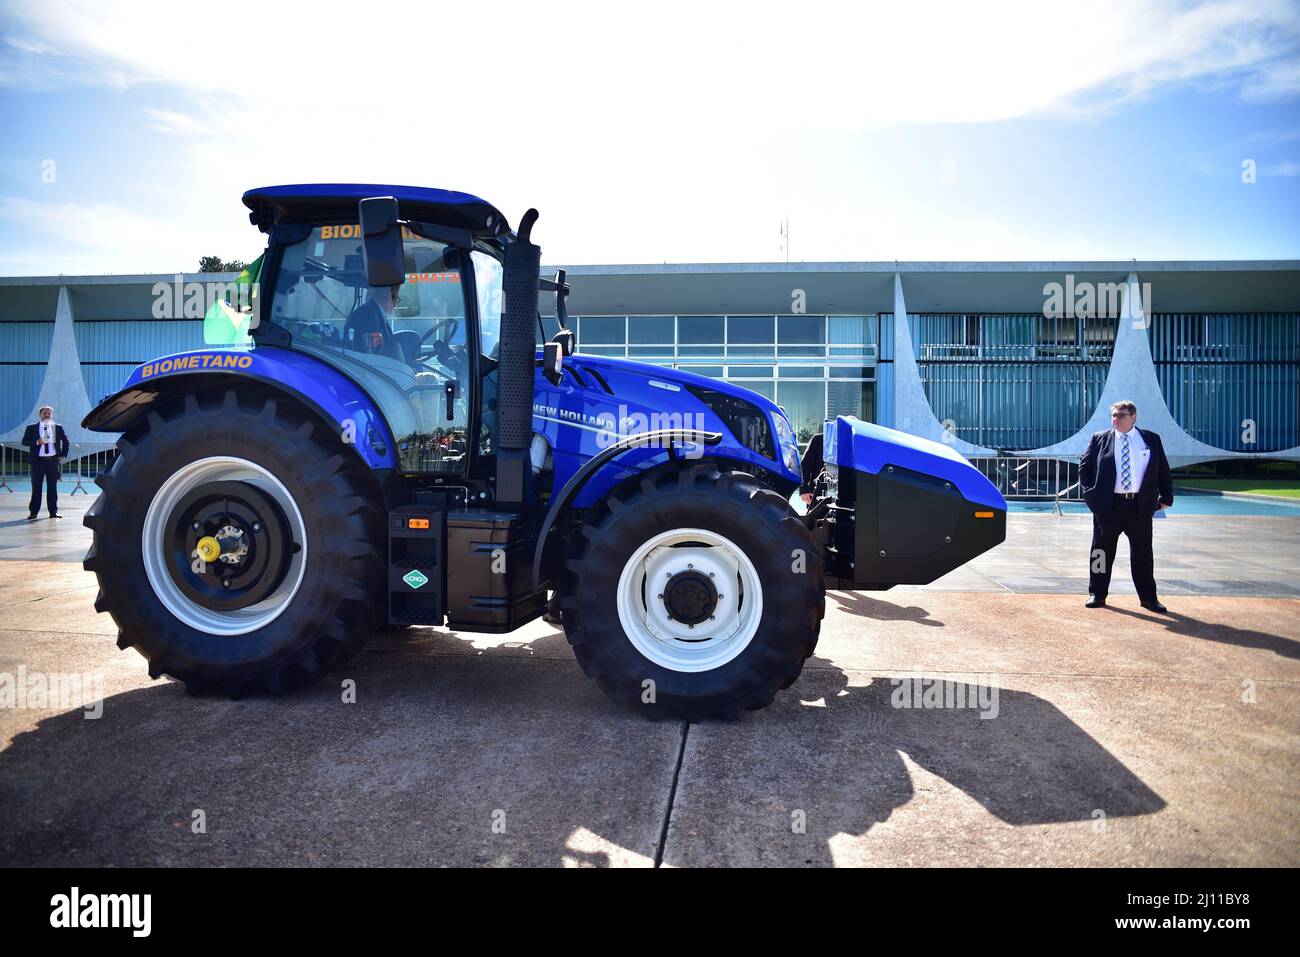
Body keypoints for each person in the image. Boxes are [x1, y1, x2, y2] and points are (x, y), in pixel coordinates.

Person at [1078, 400, 1173, 613]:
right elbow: (1084, 468)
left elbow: (1163, 470)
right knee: (1100, 552)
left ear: (1133, 417)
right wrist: (1091, 495)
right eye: (1113, 415)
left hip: (1139, 507)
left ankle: (1149, 598)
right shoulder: (1100, 439)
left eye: (1120, 415)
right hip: (1108, 507)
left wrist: (1167, 496)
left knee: (1143, 554)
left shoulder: (1150, 439)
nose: (1115, 419)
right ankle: (1097, 593)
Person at [22, 405, 68, 520]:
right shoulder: (32, 428)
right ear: (40, 414)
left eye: (49, 413)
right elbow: (24, 441)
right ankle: (33, 512)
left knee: (52, 488)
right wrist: (37, 442)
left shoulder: (57, 427)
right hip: (38, 462)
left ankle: (53, 512)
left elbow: (66, 442)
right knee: (36, 488)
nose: (47, 415)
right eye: (45, 413)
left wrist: (63, 454)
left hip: (52, 461)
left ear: (51, 415)